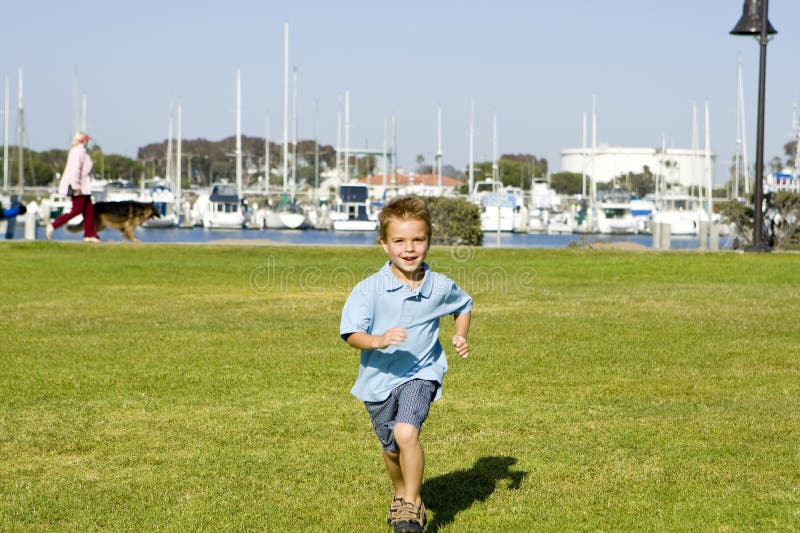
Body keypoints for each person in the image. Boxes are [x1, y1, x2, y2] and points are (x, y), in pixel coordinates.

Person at [340, 196, 473, 533]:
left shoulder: (439, 286)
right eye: (399, 240)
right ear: (384, 244)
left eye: (418, 239)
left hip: (421, 372)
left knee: (406, 431)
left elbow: (464, 304)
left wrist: (460, 334)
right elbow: (351, 333)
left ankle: (411, 507)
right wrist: (378, 340)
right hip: (378, 380)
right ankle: (401, 492)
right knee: (391, 448)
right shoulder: (369, 289)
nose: (409, 248)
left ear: (429, 240)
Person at [46, 131, 100, 242]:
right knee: (77, 210)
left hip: (84, 188)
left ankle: (90, 235)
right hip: (78, 187)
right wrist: (76, 185)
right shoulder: (78, 151)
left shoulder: (81, 151)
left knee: (89, 210)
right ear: (83, 140)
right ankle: (53, 225)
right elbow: (75, 170)